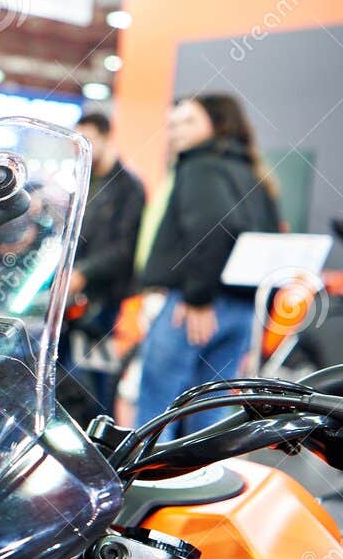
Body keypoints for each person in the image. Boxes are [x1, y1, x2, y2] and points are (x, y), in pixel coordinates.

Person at [133, 93, 282, 437]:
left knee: (157, 410)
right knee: (211, 414)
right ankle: (205, 472)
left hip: (195, 307)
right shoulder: (252, 171)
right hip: (240, 308)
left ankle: (150, 472)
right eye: (173, 124)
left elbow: (213, 226)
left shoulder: (199, 165)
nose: (176, 131)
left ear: (218, 124)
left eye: (188, 122)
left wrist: (198, 297)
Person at [67, 112, 146, 410]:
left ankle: (100, 426)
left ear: (105, 137)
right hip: (73, 297)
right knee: (71, 372)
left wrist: (84, 272)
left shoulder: (129, 187)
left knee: (95, 376)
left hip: (104, 298)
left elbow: (125, 249)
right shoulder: (83, 182)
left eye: (88, 139)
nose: (81, 147)